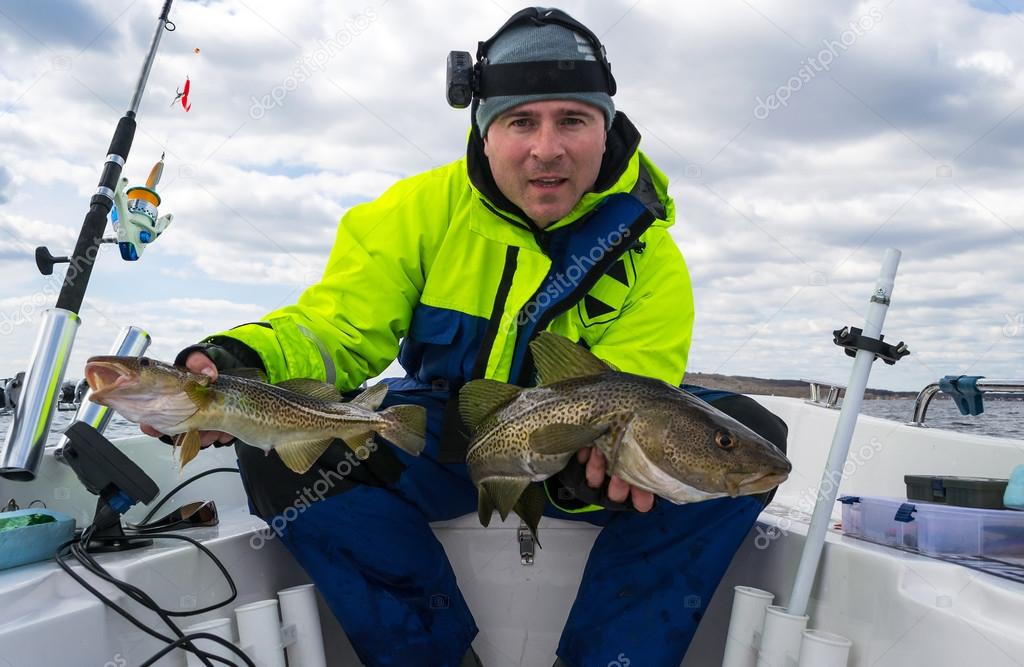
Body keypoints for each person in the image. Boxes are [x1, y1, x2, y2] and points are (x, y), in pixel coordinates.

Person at [143, 8, 788, 667]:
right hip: (448, 430)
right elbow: (335, 328)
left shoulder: (654, 260)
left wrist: (584, 474)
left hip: (576, 448)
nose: (547, 148)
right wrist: (240, 360)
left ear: (606, 128)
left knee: (746, 434)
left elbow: (630, 389)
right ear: (483, 131)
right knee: (284, 453)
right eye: (520, 121)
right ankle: (432, 653)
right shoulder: (417, 212)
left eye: (573, 119)